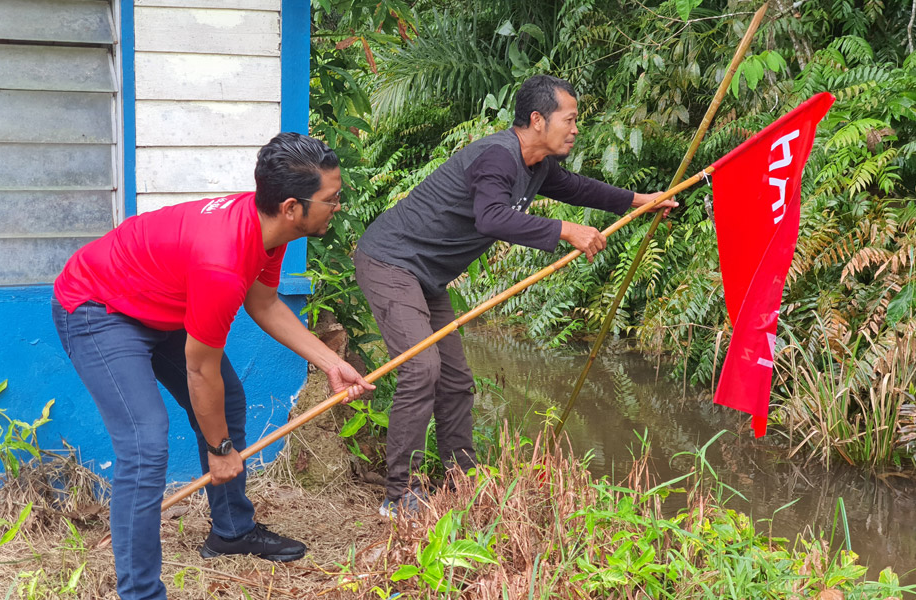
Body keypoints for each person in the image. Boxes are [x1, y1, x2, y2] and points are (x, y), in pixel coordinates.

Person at [51, 132, 374, 600]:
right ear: (290, 206)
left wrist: (330, 362)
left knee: (231, 400)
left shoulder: (269, 229)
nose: (338, 206)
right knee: (145, 445)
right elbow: (198, 370)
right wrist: (221, 449)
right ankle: (140, 593)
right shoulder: (222, 263)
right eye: (331, 198)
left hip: (157, 300)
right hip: (99, 307)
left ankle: (230, 531)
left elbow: (264, 304)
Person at [354, 74, 677, 516]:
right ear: (538, 119)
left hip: (426, 276)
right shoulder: (497, 157)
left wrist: (641, 199)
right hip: (391, 263)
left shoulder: (536, 166)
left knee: (455, 380)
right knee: (422, 367)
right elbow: (490, 217)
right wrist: (564, 229)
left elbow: (579, 188)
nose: (576, 128)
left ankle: (459, 480)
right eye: (571, 118)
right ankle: (400, 495)